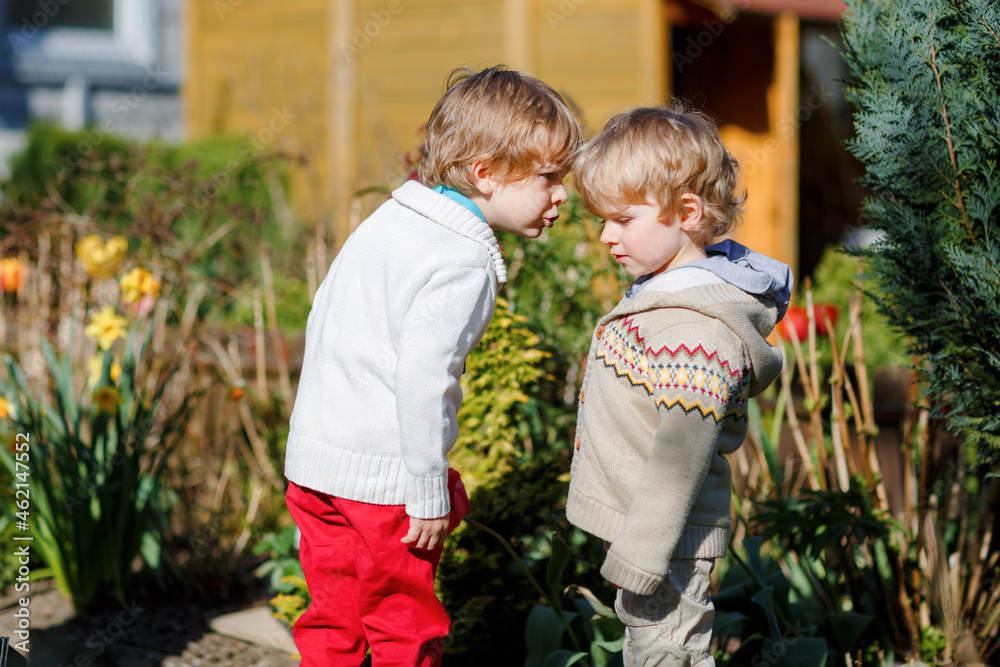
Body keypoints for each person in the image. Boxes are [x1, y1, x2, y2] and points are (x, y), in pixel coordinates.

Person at [283, 65, 581, 667]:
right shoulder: (461, 260)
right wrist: (425, 490)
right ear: (485, 172)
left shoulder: (390, 221)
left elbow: (325, 318)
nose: (562, 195)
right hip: (384, 482)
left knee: (333, 624)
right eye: (549, 177)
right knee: (404, 628)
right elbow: (423, 378)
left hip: (314, 468)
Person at [566, 105, 792, 667]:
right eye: (601, 219)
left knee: (667, 655)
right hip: (648, 532)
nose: (604, 236)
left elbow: (681, 457)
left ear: (686, 212)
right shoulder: (663, 293)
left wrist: (641, 556)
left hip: (665, 543)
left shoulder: (695, 330)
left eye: (622, 219)